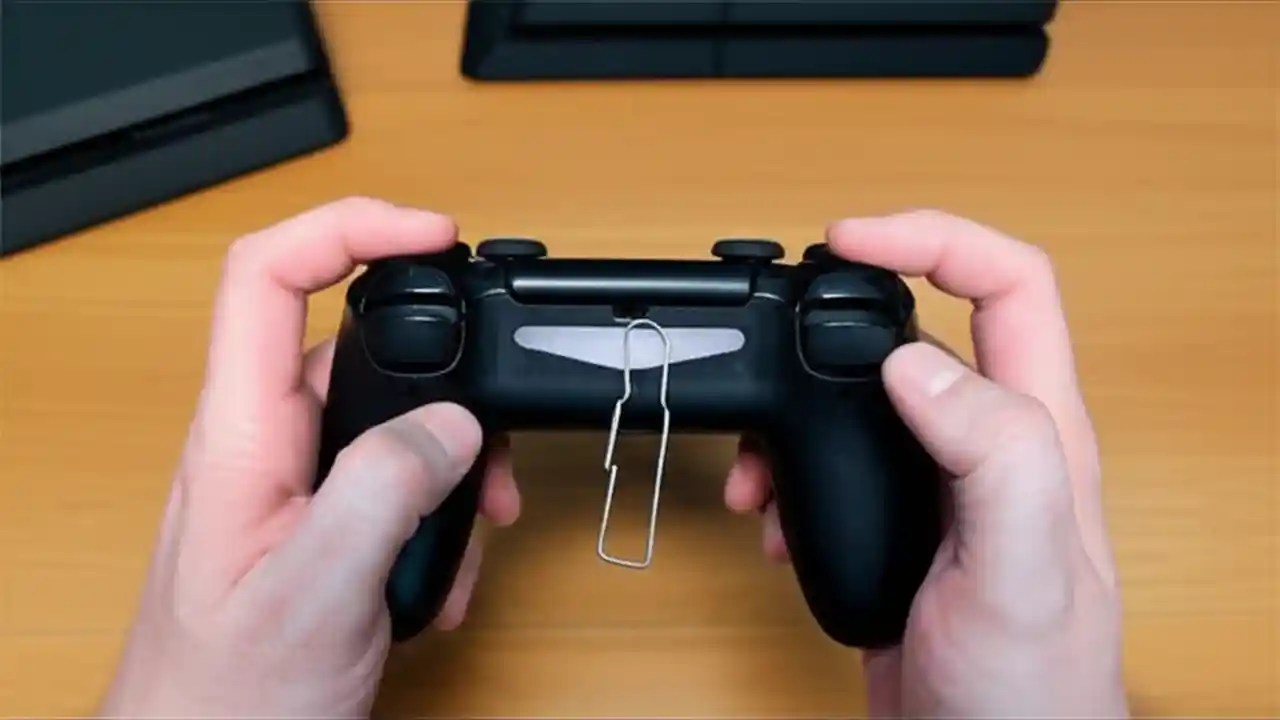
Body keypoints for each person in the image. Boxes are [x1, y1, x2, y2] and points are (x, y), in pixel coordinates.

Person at [98, 198, 1128, 718]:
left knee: (871, 600)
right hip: (798, 355)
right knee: (864, 596)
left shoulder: (442, 324)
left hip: (453, 349)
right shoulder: (813, 330)